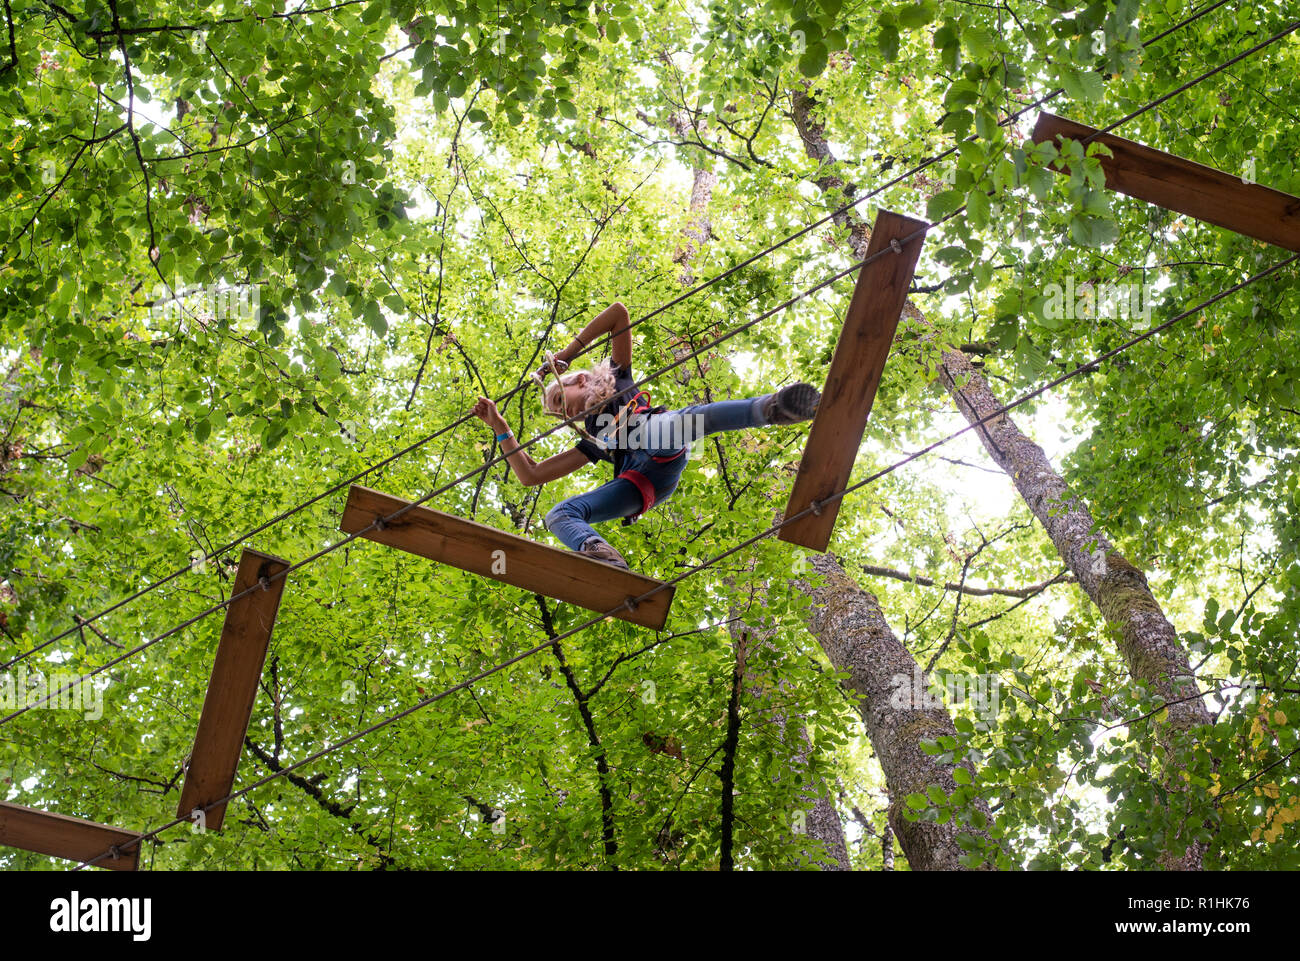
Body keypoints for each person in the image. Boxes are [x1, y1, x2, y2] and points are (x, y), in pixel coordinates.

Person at [470, 302, 820, 570]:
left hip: (659, 439)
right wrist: (501, 427)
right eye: (558, 412)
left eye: (561, 400)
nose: (564, 412)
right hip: (641, 483)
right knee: (558, 514)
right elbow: (530, 475)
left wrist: (565, 355)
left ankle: (772, 409)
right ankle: (598, 551)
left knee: (682, 423)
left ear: (578, 381)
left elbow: (618, 314)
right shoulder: (591, 440)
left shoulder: (618, 377)